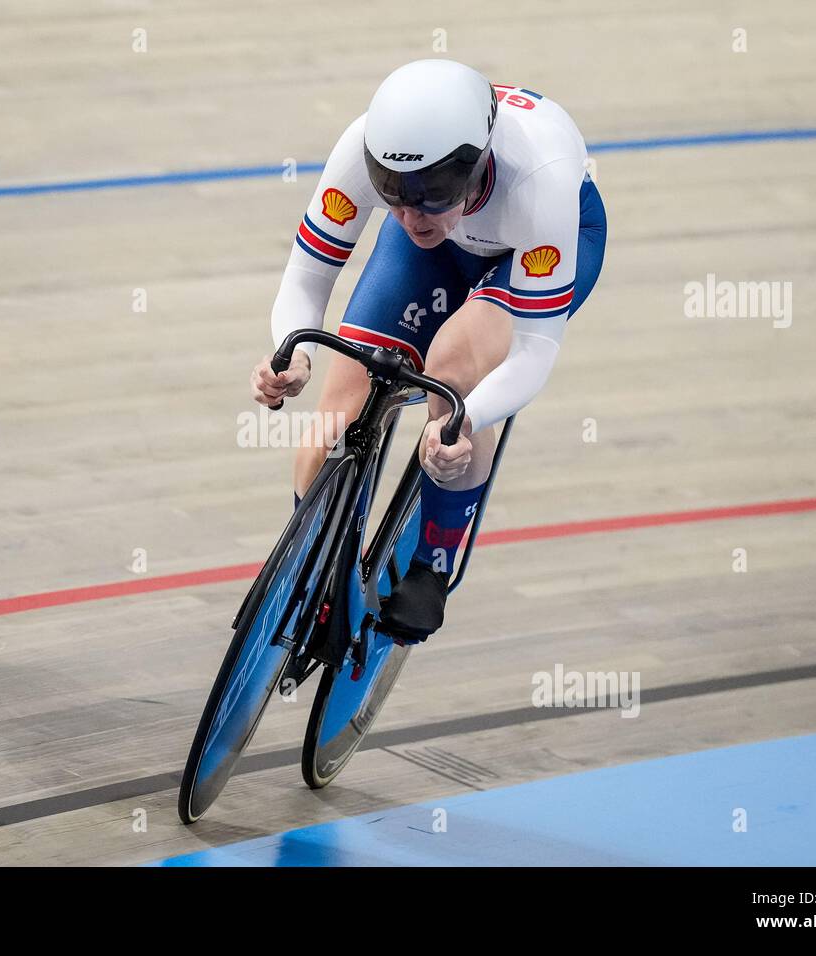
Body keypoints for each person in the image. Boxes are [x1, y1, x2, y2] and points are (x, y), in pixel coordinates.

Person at [249, 59, 607, 644]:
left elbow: (534, 354)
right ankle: (313, 563)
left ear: (478, 163)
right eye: (394, 195)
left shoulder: (538, 181)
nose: (411, 216)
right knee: (338, 411)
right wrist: (292, 354)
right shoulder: (367, 149)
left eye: (432, 196)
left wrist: (467, 417)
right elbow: (307, 277)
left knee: (453, 371)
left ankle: (432, 563)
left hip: (527, 251)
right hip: (446, 249)